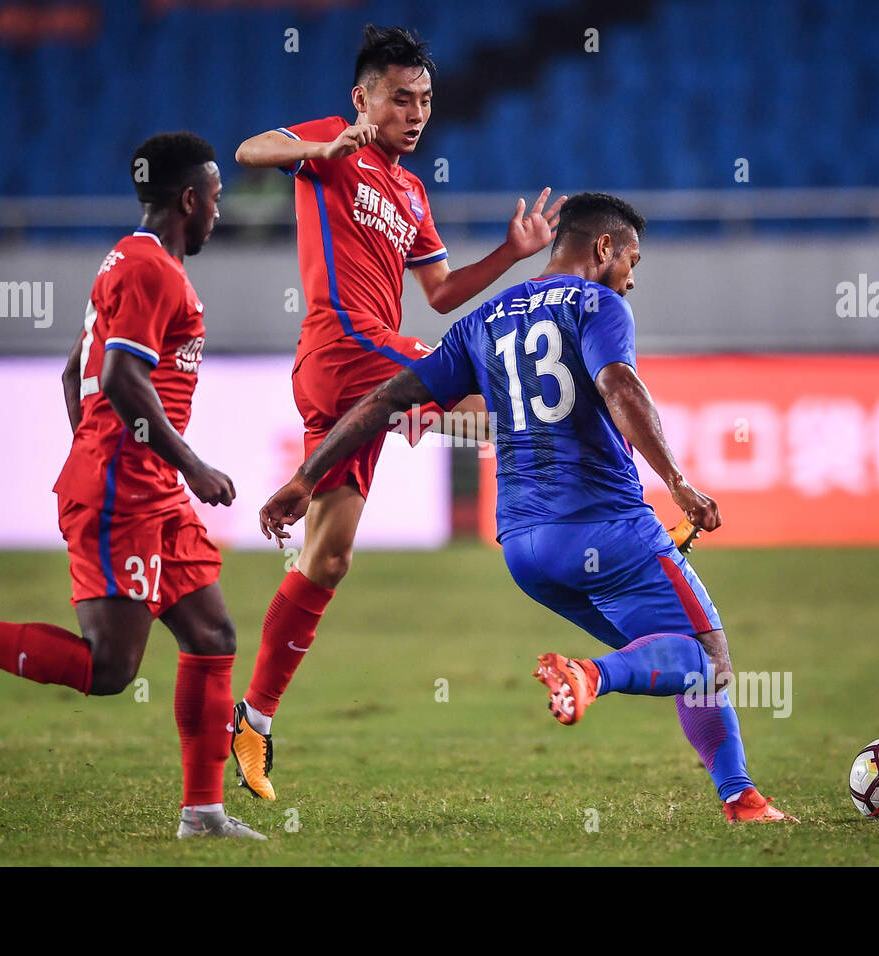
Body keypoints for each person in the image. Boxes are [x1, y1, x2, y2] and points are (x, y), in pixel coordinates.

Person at [259, 192, 798, 823]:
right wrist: (677, 482)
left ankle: (742, 799)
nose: (632, 277)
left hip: (524, 548)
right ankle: (590, 677)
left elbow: (384, 401)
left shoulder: (482, 320)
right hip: (607, 525)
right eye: (632, 260)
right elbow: (619, 384)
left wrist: (306, 477)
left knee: (670, 654)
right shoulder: (599, 305)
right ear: (604, 247)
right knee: (706, 658)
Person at [0, 132, 266, 840]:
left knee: (212, 635)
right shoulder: (152, 272)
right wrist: (188, 465)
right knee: (109, 668)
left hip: (142, 486)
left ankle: (203, 815)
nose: (219, 210)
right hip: (125, 492)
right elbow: (118, 377)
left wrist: (104, 451)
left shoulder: (131, 260)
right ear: (188, 199)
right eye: (214, 197)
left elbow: (71, 372)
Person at [231, 24, 565, 799]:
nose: (415, 114)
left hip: (361, 383)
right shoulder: (331, 143)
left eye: (425, 100)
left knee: (328, 559)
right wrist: (319, 148)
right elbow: (248, 152)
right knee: (497, 396)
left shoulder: (411, 192)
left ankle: (253, 721)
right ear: (363, 98)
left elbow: (441, 293)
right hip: (347, 346)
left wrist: (512, 255)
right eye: (400, 99)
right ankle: (586, 519)